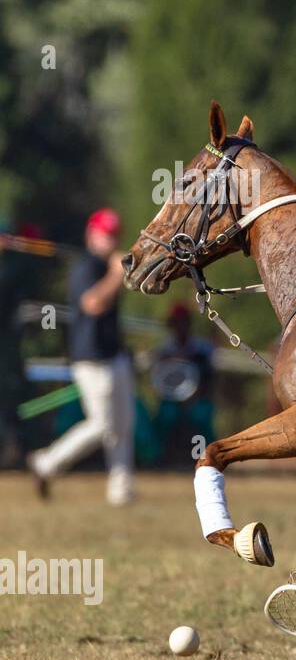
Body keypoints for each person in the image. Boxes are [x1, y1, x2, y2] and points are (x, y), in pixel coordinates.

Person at [28, 208, 135, 506]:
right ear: (92, 233)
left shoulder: (104, 264)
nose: (110, 240)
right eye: (105, 234)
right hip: (91, 358)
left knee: (123, 426)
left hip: (115, 354)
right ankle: (47, 462)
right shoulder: (85, 267)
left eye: (114, 235)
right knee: (101, 424)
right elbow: (93, 303)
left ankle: (121, 490)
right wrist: (116, 273)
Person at [150, 303, 215, 465]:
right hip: (171, 399)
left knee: (201, 418)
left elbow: (210, 377)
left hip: (198, 398)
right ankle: (161, 458)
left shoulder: (202, 348)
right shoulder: (164, 349)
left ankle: (205, 457)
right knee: (165, 418)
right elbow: (159, 379)